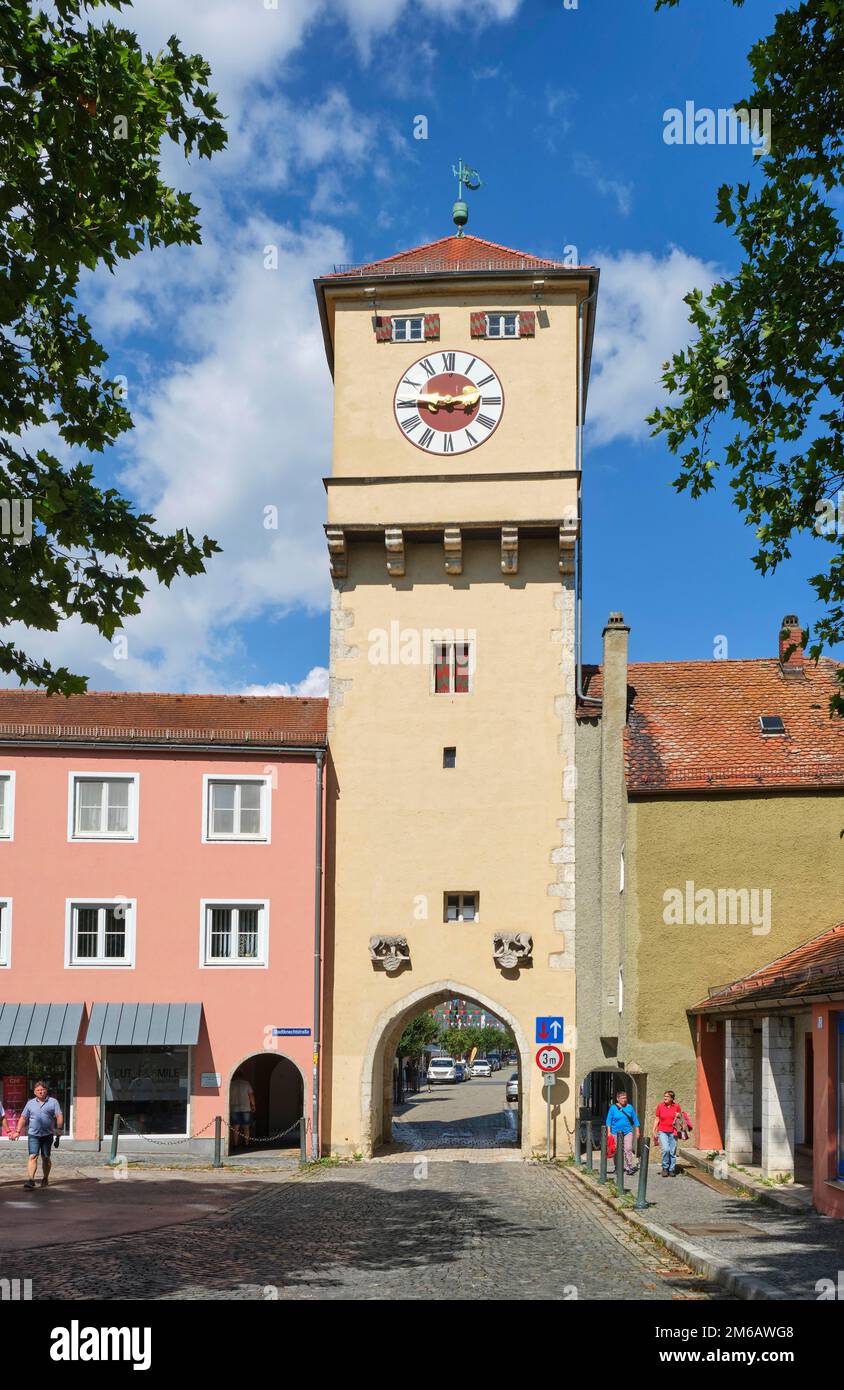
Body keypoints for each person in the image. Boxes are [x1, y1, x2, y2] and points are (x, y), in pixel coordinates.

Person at [11, 1080, 63, 1189]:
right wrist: (17, 1131)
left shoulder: (53, 1102)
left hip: (47, 1135)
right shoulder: (30, 1103)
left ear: (46, 1091)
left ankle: (45, 1178)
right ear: (34, 1092)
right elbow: (23, 1117)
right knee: (33, 1156)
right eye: (38, 1090)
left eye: (43, 1090)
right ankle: (31, 1180)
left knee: (46, 1158)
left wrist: (59, 1129)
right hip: (33, 1135)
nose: (41, 1092)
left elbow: (59, 1116)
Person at [606, 1089, 640, 1175]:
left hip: (627, 1131)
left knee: (628, 1149)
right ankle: (617, 1167)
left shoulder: (630, 1107)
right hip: (615, 1132)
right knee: (617, 1150)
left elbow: (635, 1120)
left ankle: (629, 1167)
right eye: (622, 1098)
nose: (624, 1099)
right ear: (618, 1099)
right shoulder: (613, 1108)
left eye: (625, 1098)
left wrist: (637, 1131)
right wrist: (609, 1132)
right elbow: (608, 1121)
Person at [229, 1074, 255, 1151]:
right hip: (246, 1108)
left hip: (234, 1108)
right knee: (246, 1127)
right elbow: (251, 1095)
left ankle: (235, 1144)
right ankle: (246, 1143)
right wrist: (253, 1105)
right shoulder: (246, 1083)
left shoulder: (231, 1084)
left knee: (235, 1127)